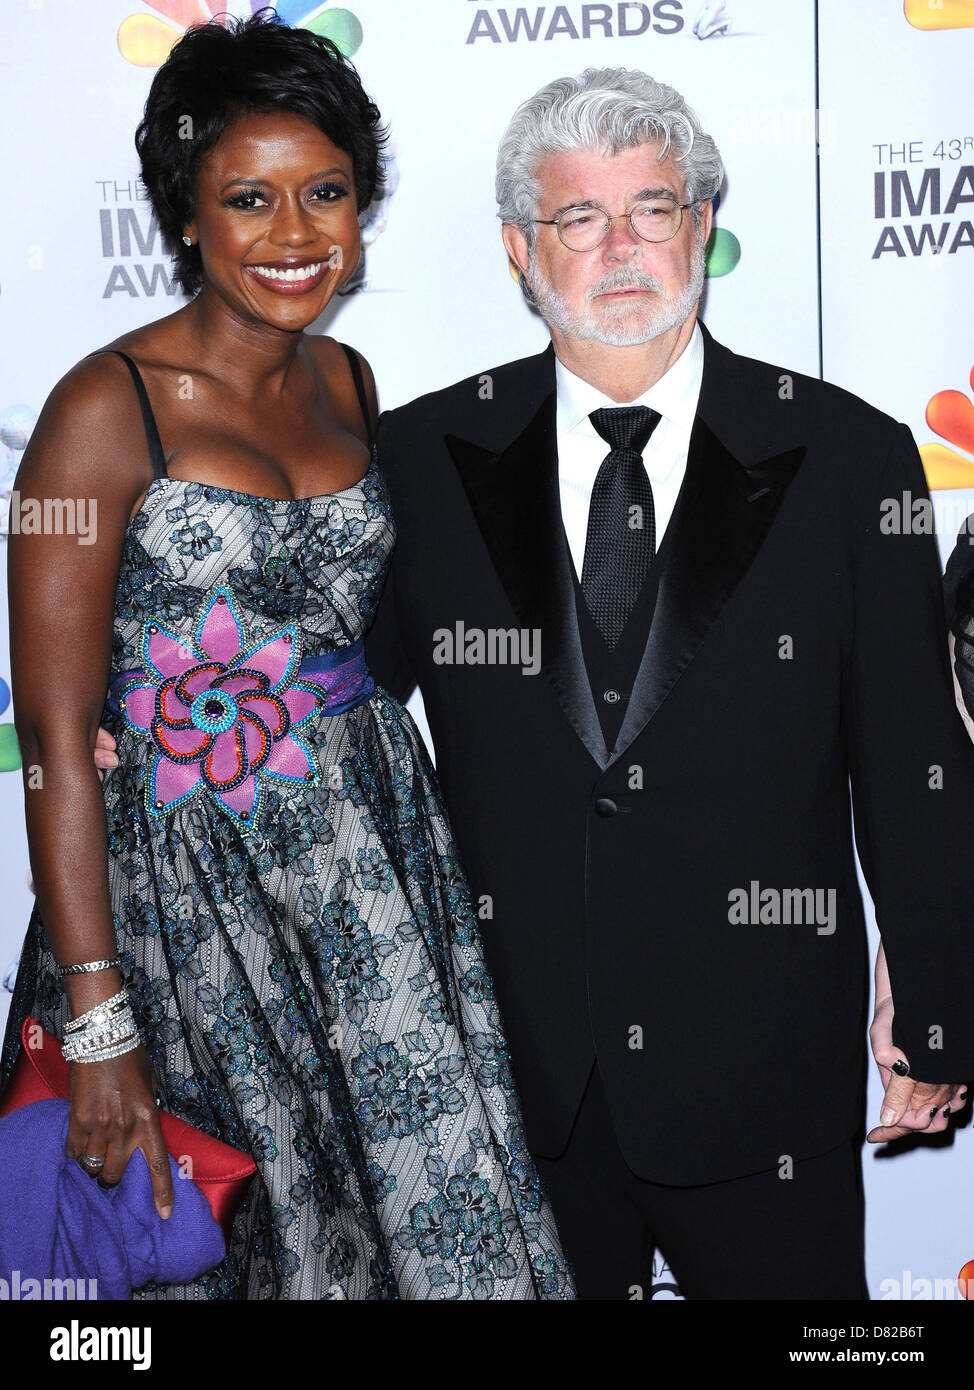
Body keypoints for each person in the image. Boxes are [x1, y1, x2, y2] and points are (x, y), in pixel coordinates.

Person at [89, 68, 974, 1300]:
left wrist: (936, 1007)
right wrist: (146, 716)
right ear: (518, 246)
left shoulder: (845, 455)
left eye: (652, 209)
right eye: (578, 218)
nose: (619, 249)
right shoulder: (419, 456)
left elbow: (913, 757)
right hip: (500, 1083)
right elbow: (330, 685)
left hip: (764, 1076)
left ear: (701, 226)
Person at [0, 13, 574, 1301]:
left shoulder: (350, 383)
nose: (295, 233)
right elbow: (54, 744)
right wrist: (99, 1023)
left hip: (367, 873)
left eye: (325, 192)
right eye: (248, 199)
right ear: (185, 214)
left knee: (412, 1226)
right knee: (234, 1236)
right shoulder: (107, 406)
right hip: (186, 896)